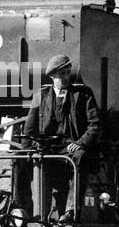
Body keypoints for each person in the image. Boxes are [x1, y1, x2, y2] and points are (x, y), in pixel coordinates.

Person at [15, 54, 102, 217]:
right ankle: (21, 209)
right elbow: (28, 130)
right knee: (18, 161)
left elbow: (94, 125)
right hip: (46, 148)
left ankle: (71, 210)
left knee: (81, 157)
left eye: (68, 73)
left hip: (70, 147)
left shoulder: (83, 95)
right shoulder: (40, 96)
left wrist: (81, 143)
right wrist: (27, 151)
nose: (66, 77)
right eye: (62, 74)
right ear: (52, 76)